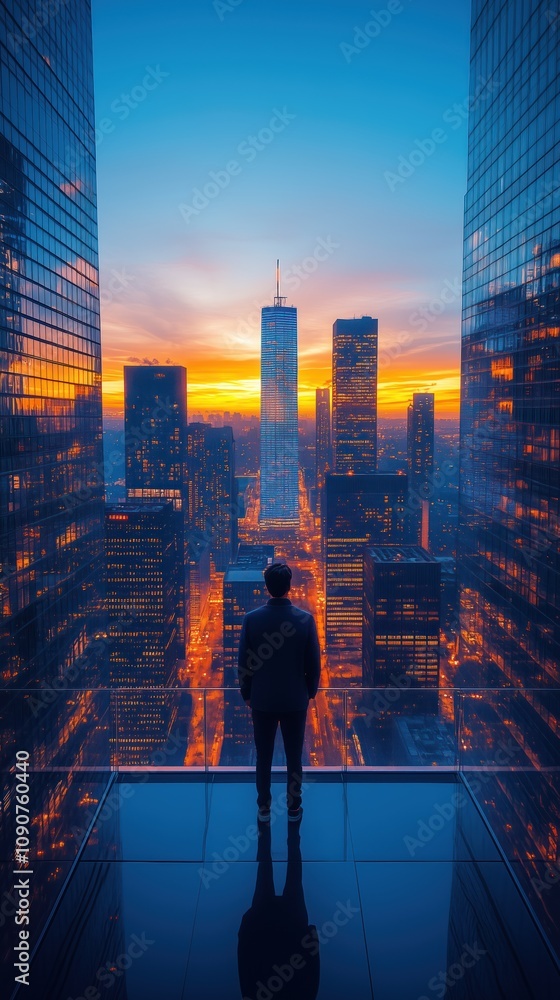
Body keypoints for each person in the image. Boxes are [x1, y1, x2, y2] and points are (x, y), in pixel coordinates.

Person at [237, 562, 321, 823]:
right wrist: (309, 693)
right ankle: (294, 807)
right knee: (295, 756)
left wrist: (247, 694)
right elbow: (314, 664)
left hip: (262, 700)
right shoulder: (305, 620)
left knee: (263, 755)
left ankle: (264, 807)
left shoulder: (251, 619)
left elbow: (244, 663)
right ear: (290, 586)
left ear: (267, 587)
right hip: (295, 700)